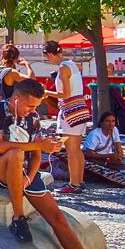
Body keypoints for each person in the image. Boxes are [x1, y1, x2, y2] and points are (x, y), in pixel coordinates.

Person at [0, 79, 115, 249]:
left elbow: (35, 156)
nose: (33, 111)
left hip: (24, 171)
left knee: (58, 218)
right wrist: (39, 145)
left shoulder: (32, 118)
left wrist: (31, 176)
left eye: (35, 107)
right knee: (14, 154)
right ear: (15, 100)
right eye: (30, 106)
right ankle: (18, 217)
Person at [43, 39, 87, 195]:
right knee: (77, 149)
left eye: (46, 56)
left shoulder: (63, 68)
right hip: (80, 108)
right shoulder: (71, 64)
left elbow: (65, 94)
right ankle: (79, 181)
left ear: (49, 54)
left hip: (70, 109)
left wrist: (47, 93)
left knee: (72, 150)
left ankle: (74, 184)